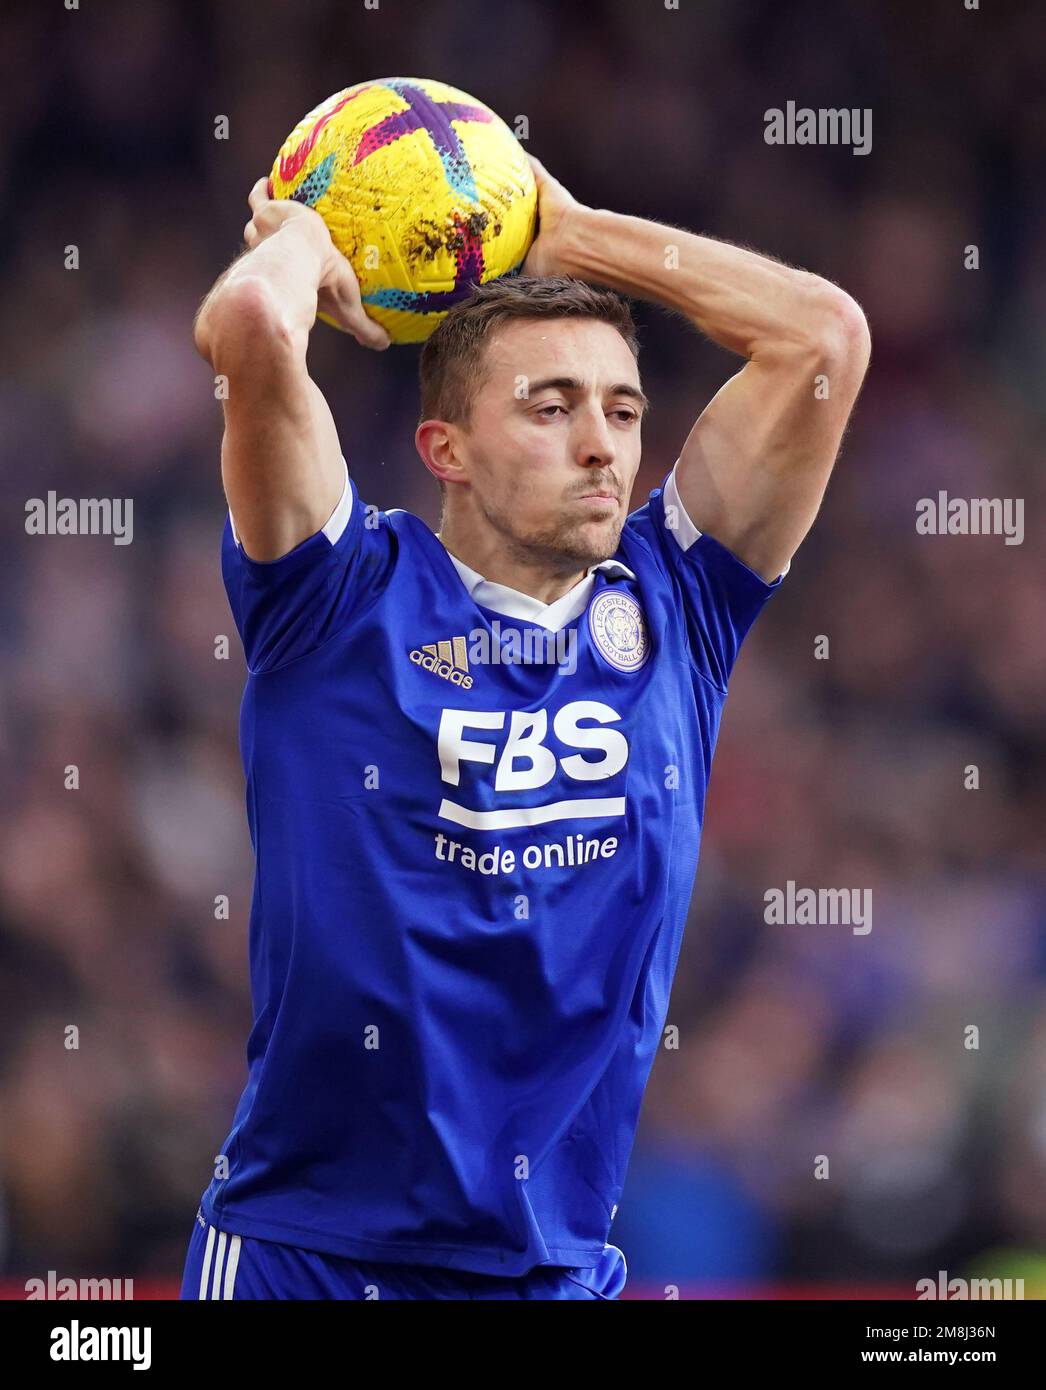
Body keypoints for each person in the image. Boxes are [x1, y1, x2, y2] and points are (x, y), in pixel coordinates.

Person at [180, 154, 870, 1300]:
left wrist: (573, 230)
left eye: (621, 408)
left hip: (548, 1271)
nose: (600, 442)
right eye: (548, 407)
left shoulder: (678, 604)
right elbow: (249, 320)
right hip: (309, 1257)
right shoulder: (336, 596)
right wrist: (305, 236)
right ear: (444, 448)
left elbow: (821, 340)